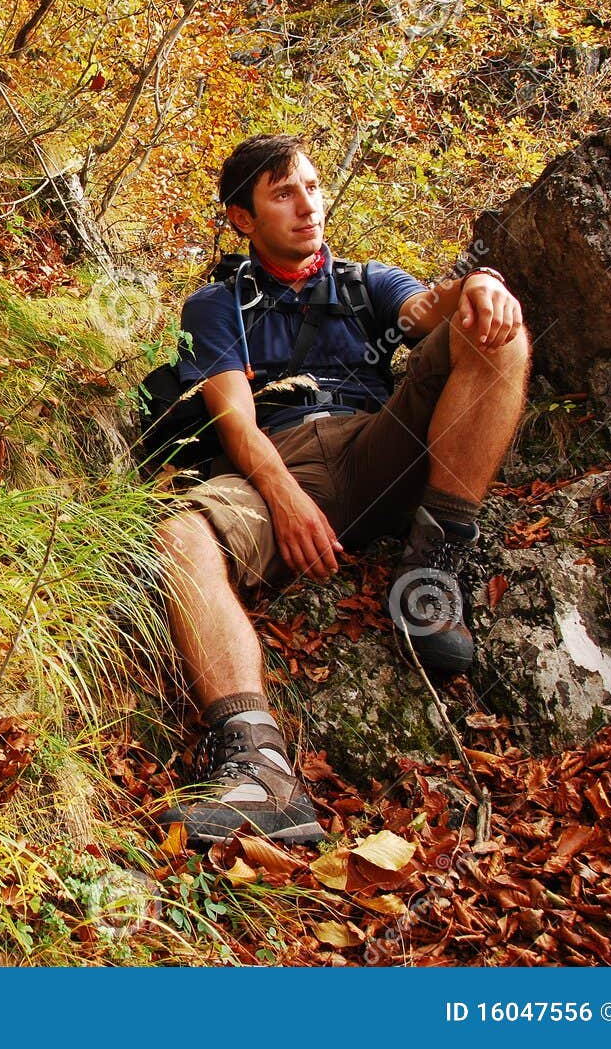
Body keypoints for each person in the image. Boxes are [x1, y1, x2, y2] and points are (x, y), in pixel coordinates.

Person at [153, 133, 530, 845]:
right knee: (177, 534)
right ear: (242, 217)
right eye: (284, 193)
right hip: (279, 462)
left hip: (377, 443)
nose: (308, 206)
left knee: (497, 329)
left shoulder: (366, 283)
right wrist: (285, 497)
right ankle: (259, 766)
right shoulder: (216, 304)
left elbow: (426, 312)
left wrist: (477, 284)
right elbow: (234, 419)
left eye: (314, 188)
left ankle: (432, 564)